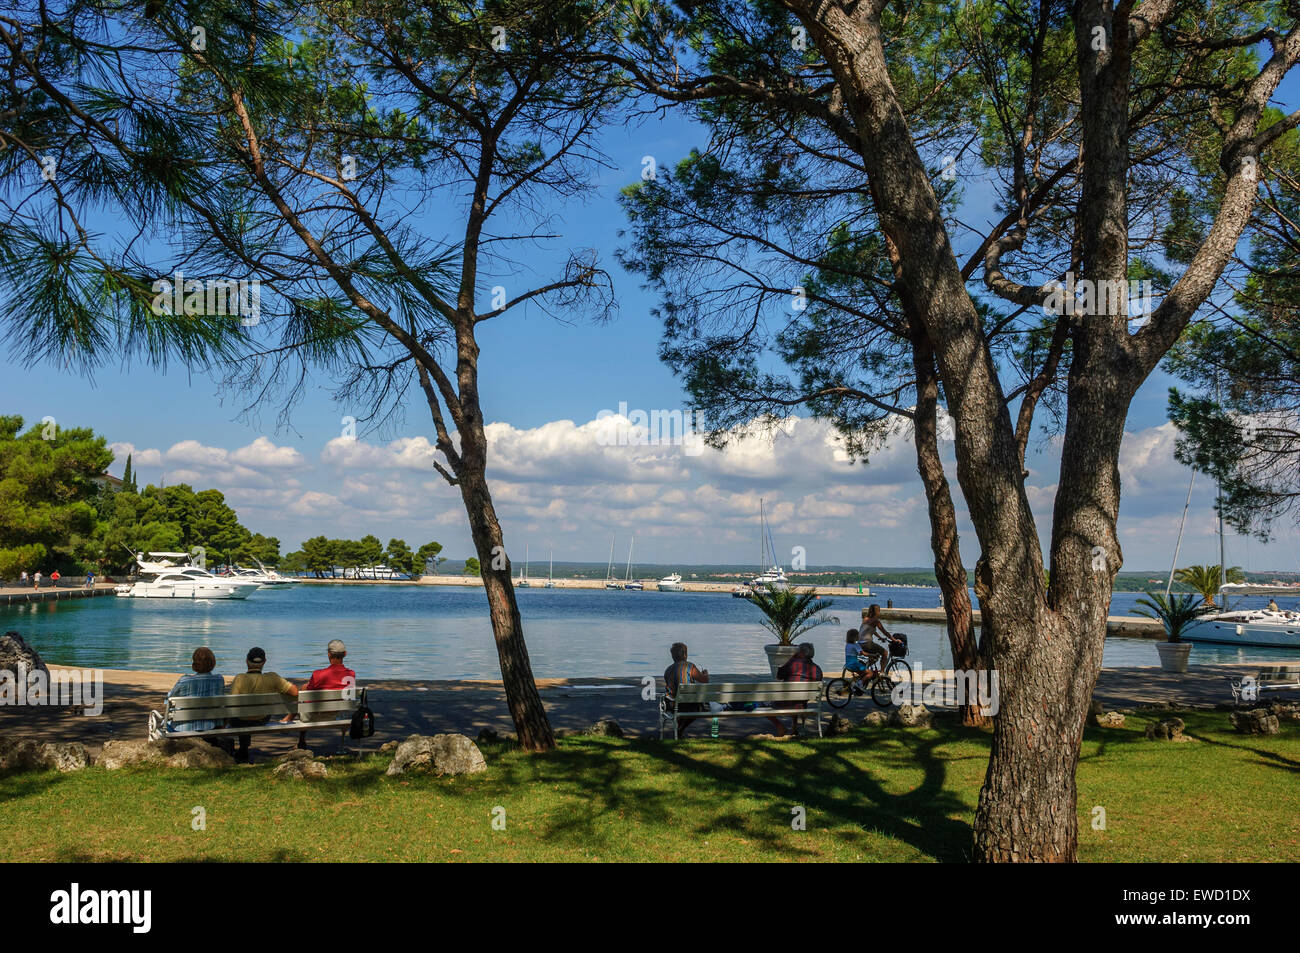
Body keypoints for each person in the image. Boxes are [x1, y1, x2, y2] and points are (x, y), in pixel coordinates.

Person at [230, 647, 299, 763]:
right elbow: (295, 692)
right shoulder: (272, 678)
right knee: (249, 713)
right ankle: (243, 749)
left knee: (241, 714)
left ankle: (243, 748)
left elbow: (231, 704)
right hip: (262, 719)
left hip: (240, 720)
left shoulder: (239, 679)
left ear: (247, 661)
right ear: (264, 661)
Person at [295, 639, 357, 748]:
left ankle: (302, 740)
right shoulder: (350, 675)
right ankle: (342, 743)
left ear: (329, 655)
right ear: (345, 654)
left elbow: (309, 698)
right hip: (339, 716)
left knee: (304, 692)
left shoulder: (318, 674)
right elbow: (349, 698)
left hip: (314, 716)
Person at [166, 647, 227, 738]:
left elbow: (169, 701)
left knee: (165, 723)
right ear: (212, 663)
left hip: (182, 729)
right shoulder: (219, 679)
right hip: (210, 727)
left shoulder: (184, 680)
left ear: (195, 663)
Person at [663, 642, 711, 737]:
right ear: (685, 654)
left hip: (673, 706)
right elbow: (705, 680)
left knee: (682, 705)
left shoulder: (668, 670)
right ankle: (680, 728)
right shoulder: (690, 666)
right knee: (697, 707)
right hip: (691, 705)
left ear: (672, 656)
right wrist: (705, 673)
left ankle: (680, 728)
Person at [777, 643, 823, 734]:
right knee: (800, 700)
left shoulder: (792, 664)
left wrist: (791, 659)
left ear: (801, 653)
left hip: (785, 701)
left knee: (763, 705)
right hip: (803, 699)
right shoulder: (817, 669)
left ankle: (780, 726)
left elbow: (779, 676)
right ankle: (799, 726)